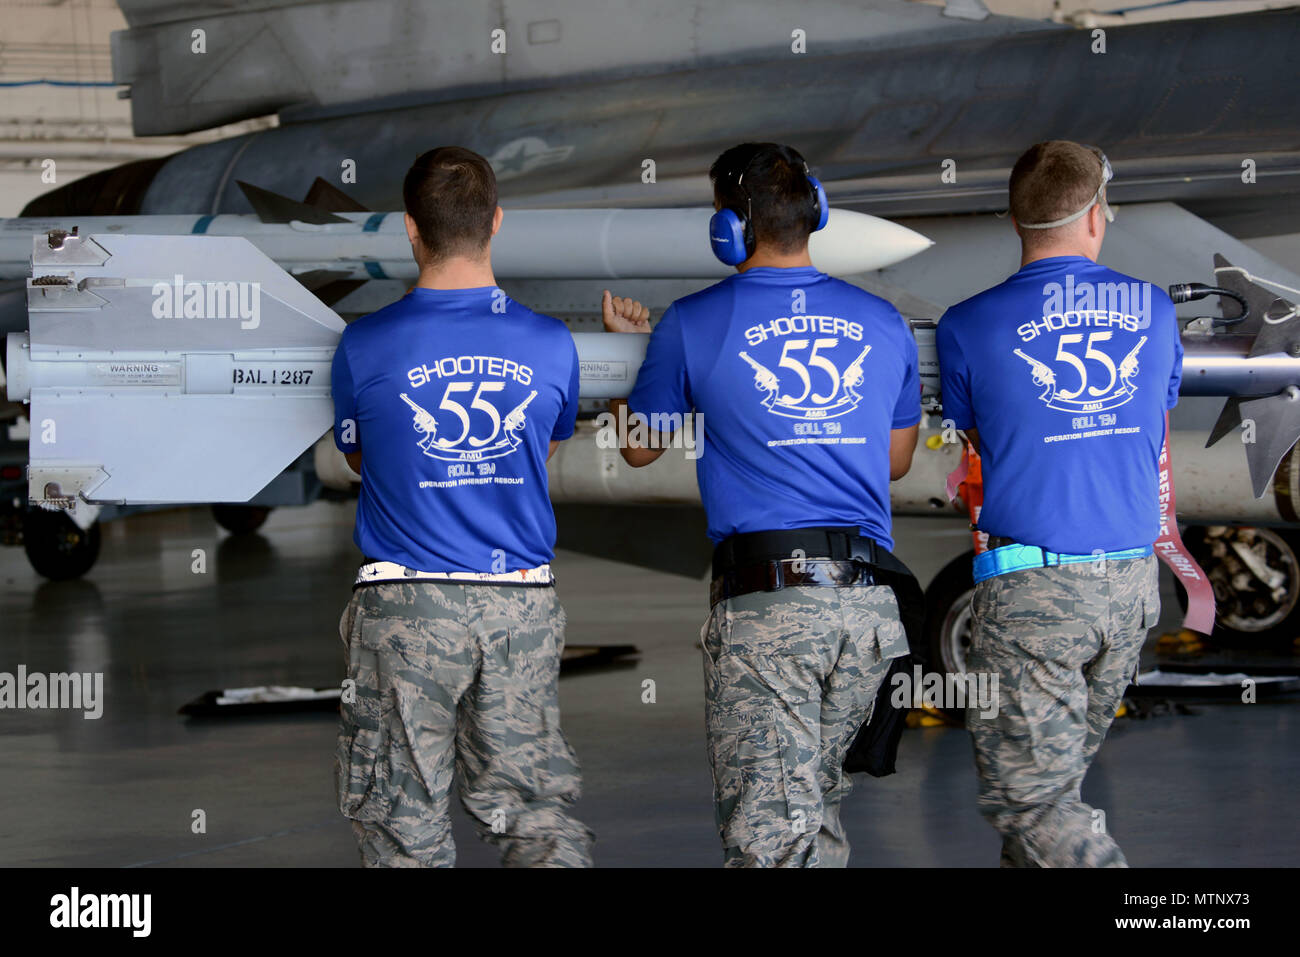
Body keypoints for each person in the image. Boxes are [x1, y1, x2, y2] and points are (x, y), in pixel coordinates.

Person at [602, 142, 921, 867]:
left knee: (770, 836)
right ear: (817, 212)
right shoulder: (883, 320)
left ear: (730, 227)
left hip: (769, 612)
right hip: (868, 615)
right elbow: (896, 460)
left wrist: (635, 360)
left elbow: (641, 446)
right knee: (818, 814)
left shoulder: (691, 322)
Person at [331, 145, 635, 867]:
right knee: (531, 810)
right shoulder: (548, 343)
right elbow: (539, 450)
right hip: (519, 609)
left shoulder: (365, 344)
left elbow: (361, 462)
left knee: (404, 822)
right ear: (496, 221)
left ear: (410, 229)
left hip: (406, 608)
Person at [936, 140, 1182, 867]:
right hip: (1132, 589)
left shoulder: (967, 324)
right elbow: (1154, 407)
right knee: (1053, 790)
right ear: (1098, 217)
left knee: (1034, 800)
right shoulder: (1154, 309)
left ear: (1017, 222)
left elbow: (980, 433)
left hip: (1035, 594)